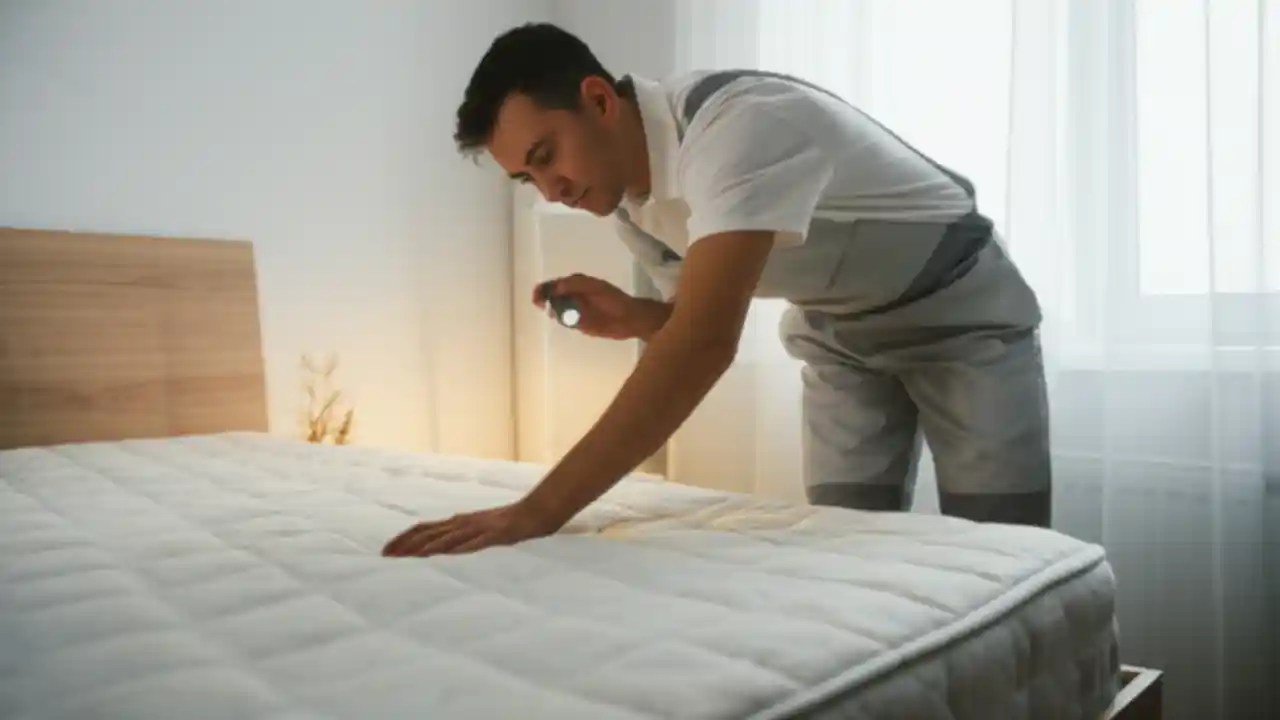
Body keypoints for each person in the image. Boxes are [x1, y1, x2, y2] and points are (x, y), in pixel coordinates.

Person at [383, 22, 1051, 558]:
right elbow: (690, 314)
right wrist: (639, 316)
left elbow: (702, 346)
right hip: (837, 335)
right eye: (529, 180)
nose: (551, 190)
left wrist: (538, 510)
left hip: (959, 313)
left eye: (546, 155)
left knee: (1004, 549)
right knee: (847, 550)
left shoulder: (737, 127)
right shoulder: (628, 205)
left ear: (597, 99)